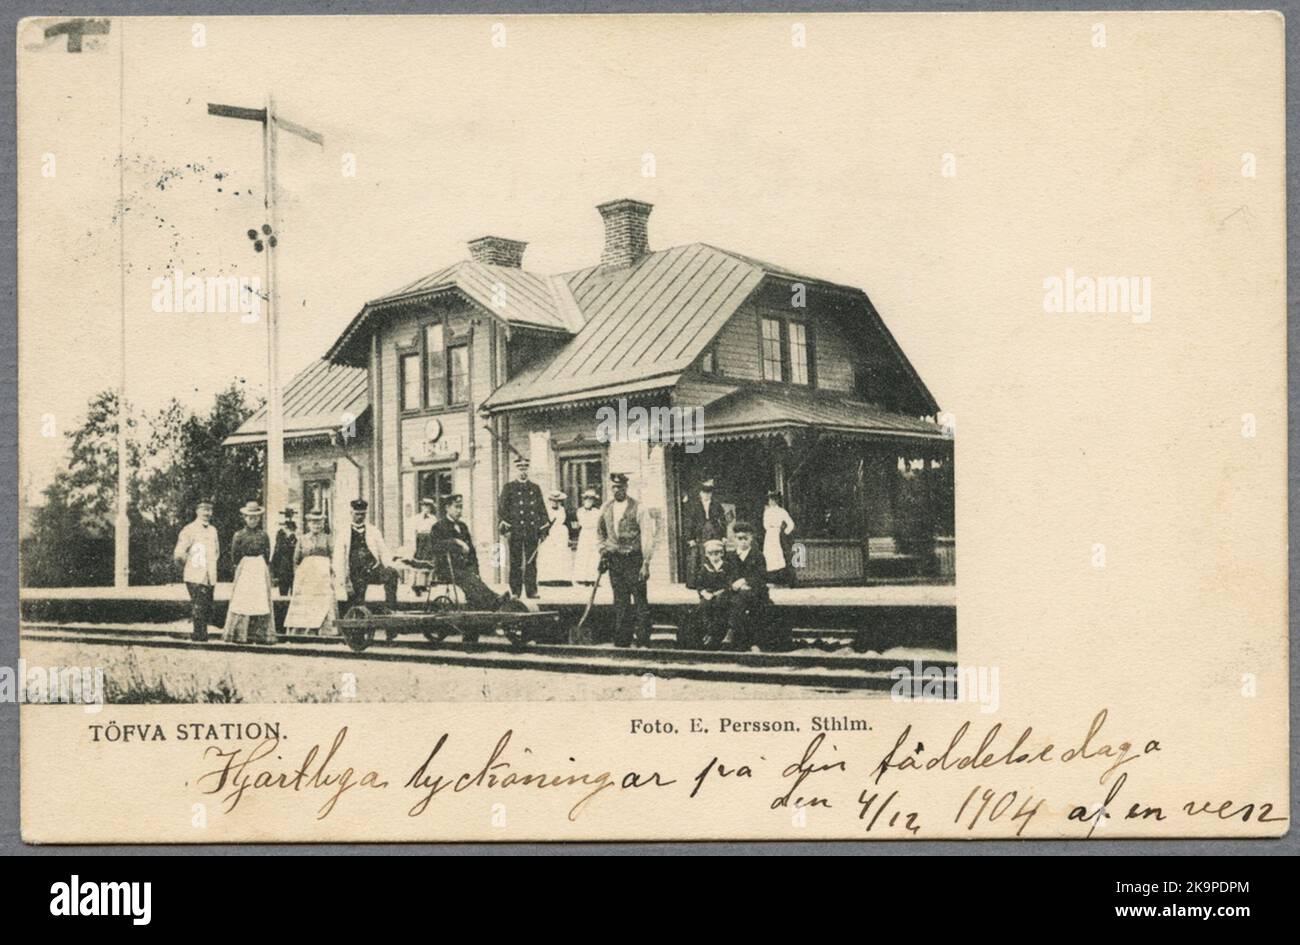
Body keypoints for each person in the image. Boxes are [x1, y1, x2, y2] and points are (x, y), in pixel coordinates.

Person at [596, 472, 657, 647]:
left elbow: (647, 536)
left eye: (620, 487)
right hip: (615, 561)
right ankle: (623, 640)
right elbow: (600, 532)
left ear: (626, 488)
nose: (617, 490)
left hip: (634, 560)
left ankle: (643, 640)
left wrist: (646, 562)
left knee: (639, 601)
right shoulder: (606, 507)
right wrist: (603, 550)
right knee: (620, 601)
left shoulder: (638, 508)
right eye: (614, 487)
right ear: (611, 488)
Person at [428, 494, 509, 610]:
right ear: (447, 508)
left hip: (463, 568)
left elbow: (471, 551)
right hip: (445, 568)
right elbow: (435, 547)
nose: (459, 511)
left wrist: (476, 569)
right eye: (456, 507)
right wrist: (455, 541)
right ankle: (494, 601)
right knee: (468, 578)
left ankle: (485, 604)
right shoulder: (438, 526)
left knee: (474, 579)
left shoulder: (463, 526)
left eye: (461, 507)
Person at [333, 498, 400, 613]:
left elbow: (383, 551)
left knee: (392, 573)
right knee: (356, 602)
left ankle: (390, 609)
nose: (360, 517)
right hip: (355, 573)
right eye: (357, 514)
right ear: (351, 513)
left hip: (372, 570)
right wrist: (344, 579)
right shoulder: (343, 533)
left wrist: (389, 565)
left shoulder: (373, 531)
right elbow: (338, 559)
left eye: (363, 514)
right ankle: (356, 620)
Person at [225, 500, 276, 645]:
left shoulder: (263, 535)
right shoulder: (239, 535)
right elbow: (235, 555)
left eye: (255, 517)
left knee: (260, 599)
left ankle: (261, 634)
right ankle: (240, 634)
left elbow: (267, 553)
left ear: (259, 519)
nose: (252, 520)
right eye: (249, 517)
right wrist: (241, 566)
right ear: (245, 518)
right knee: (243, 599)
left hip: (259, 567)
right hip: (245, 567)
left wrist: (262, 566)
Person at [497, 456, 547, 598]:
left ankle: (532, 591)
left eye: (525, 468)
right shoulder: (509, 488)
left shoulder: (535, 488)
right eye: (520, 468)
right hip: (515, 531)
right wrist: (505, 526)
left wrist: (544, 528)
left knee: (531, 562)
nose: (522, 471)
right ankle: (515, 592)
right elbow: (501, 509)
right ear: (516, 470)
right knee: (515, 562)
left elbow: (541, 509)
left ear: (528, 470)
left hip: (532, 530)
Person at [173, 497, 220, 642]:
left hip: (209, 575)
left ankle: (202, 636)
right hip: (195, 575)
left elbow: (217, 552)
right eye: (203, 509)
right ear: (197, 511)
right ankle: (199, 638)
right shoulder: (189, 529)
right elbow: (179, 553)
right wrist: (190, 567)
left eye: (209, 509)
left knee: (206, 606)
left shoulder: (213, 530)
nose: (207, 512)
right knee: (198, 606)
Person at [284, 511, 338, 636]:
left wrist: (331, 571)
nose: (317, 525)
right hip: (307, 577)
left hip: (322, 576)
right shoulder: (303, 539)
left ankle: (325, 630)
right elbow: (296, 560)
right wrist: (298, 576)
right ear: (309, 524)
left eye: (319, 522)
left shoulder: (327, 538)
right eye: (314, 522)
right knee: (306, 601)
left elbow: (333, 556)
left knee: (323, 600)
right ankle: (303, 630)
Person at [721, 520, 769, 650]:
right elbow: (725, 576)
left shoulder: (758, 556)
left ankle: (732, 631)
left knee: (744, 601)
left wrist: (745, 580)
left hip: (755, 591)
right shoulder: (730, 556)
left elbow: (761, 576)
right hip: (735, 591)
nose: (743, 541)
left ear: (751, 538)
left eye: (745, 538)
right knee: (728, 600)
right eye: (739, 538)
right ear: (735, 539)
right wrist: (732, 584)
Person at [683, 477, 727, 588]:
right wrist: (690, 538)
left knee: (715, 553)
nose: (707, 495)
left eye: (709, 493)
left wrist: (724, 536)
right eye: (704, 493)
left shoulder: (716, 505)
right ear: (700, 493)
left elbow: (722, 521)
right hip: (699, 533)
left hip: (714, 532)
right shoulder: (694, 505)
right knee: (698, 557)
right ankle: (697, 583)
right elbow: (689, 522)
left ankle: (716, 582)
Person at [686, 538, 731, 649]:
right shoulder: (705, 568)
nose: (714, 556)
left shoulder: (726, 567)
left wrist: (722, 591)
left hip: (722, 593)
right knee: (704, 606)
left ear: (721, 553)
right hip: (709, 593)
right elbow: (700, 584)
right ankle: (709, 632)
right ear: (707, 555)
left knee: (720, 605)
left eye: (717, 553)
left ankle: (718, 634)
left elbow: (729, 583)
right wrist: (704, 592)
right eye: (711, 554)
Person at [537, 489, 572, 586]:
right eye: (553, 500)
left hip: (561, 534)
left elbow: (567, 523)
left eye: (557, 501)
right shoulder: (546, 510)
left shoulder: (563, 510)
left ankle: (562, 578)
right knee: (549, 555)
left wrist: (569, 537)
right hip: (550, 534)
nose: (555, 503)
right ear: (550, 500)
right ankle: (547, 578)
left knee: (561, 555)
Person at [762, 490, 797, 585]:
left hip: (777, 534)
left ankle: (780, 579)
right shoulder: (767, 511)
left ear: (776, 500)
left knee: (778, 555)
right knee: (768, 555)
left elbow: (791, 524)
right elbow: (765, 524)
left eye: (772, 499)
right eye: (770, 499)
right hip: (769, 534)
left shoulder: (782, 511)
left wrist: (785, 532)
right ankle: (770, 578)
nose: (771, 501)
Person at [572, 488, 602, 585]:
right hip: (585, 534)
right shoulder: (580, 511)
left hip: (593, 534)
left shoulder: (597, 512)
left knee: (594, 555)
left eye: (591, 499)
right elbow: (582, 522)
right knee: (583, 554)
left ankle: (592, 578)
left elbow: (597, 523)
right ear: (584, 500)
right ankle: (581, 577)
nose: (588, 501)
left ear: (594, 501)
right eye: (587, 499)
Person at [270, 509, 299, 597]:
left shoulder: (298, 535)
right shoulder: (281, 534)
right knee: (283, 592)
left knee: (295, 593)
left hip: (295, 566)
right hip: (283, 567)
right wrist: (275, 572)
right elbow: (277, 552)